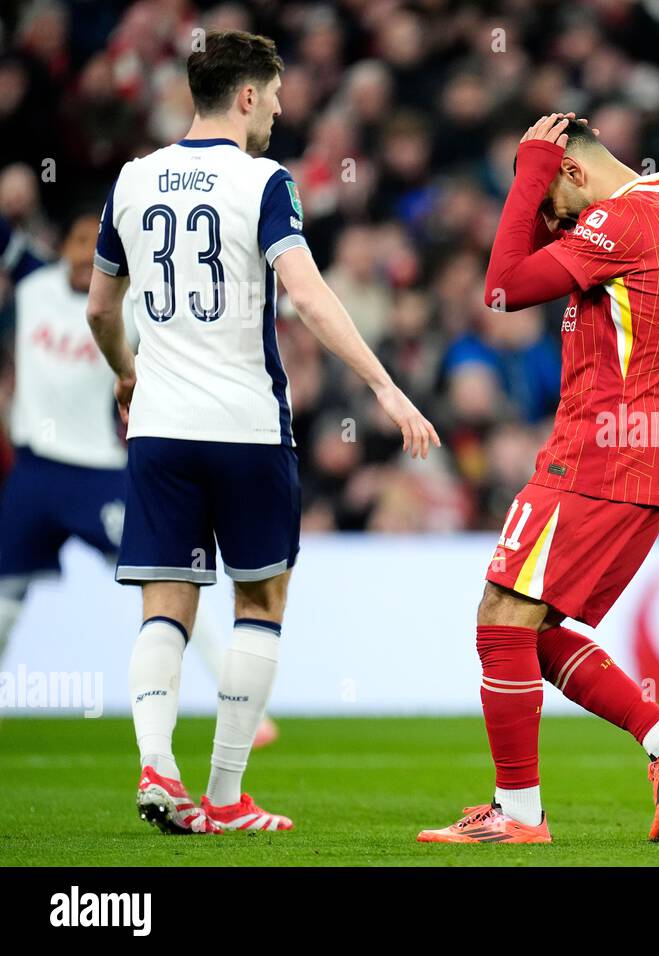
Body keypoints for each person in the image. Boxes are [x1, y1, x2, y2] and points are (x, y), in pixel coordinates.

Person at [87, 30, 437, 835]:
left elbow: (102, 310)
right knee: (262, 599)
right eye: (274, 94)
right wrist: (383, 386)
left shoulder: (133, 180)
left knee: (164, 603)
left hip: (161, 429)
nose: (279, 108)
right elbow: (309, 296)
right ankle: (224, 794)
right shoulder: (263, 181)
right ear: (246, 95)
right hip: (244, 425)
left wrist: (127, 372)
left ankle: (155, 766)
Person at [417, 114, 659, 845]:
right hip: (641, 457)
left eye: (555, 203)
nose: (552, 224)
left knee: (500, 618)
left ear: (576, 172)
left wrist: (527, 174)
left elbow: (500, 291)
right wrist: (542, 183)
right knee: (533, 628)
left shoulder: (620, 223)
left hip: (597, 455)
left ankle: (518, 816)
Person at [0, 208, 277, 749]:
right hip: (33, 472)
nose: (85, 254)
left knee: (167, 582)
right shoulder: (32, 282)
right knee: (6, 594)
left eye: (93, 243)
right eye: (77, 241)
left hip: (101, 475)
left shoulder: (131, 302)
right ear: (61, 246)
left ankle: (240, 703)